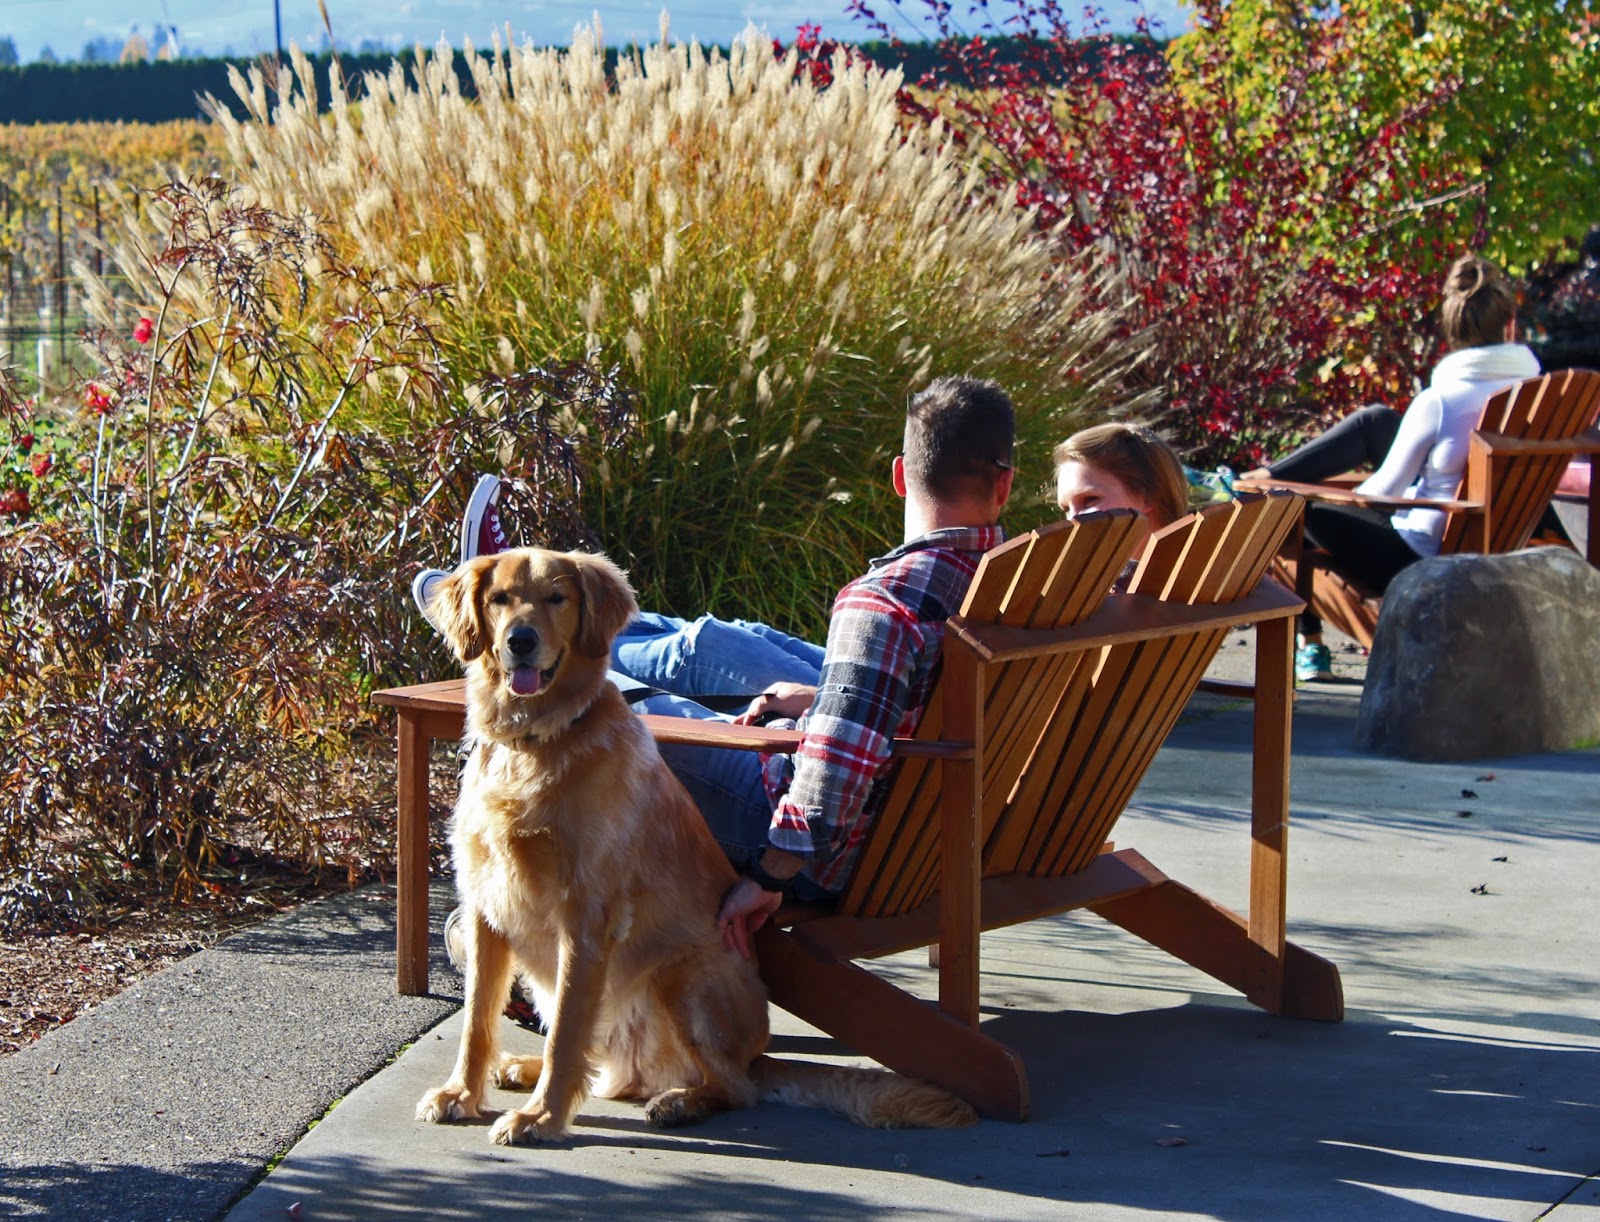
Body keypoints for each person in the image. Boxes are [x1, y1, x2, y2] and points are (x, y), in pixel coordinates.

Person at [1237, 253, 1541, 682]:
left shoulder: (1440, 401)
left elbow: (1378, 493)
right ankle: (1266, 477)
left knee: (1285, 509)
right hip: (1503, 538)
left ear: (1450, 332)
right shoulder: (1542, 395)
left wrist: (1323, 494)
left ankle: (1311, 642)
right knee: (1377, 422)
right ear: (1509, 326)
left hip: (1421, 555)